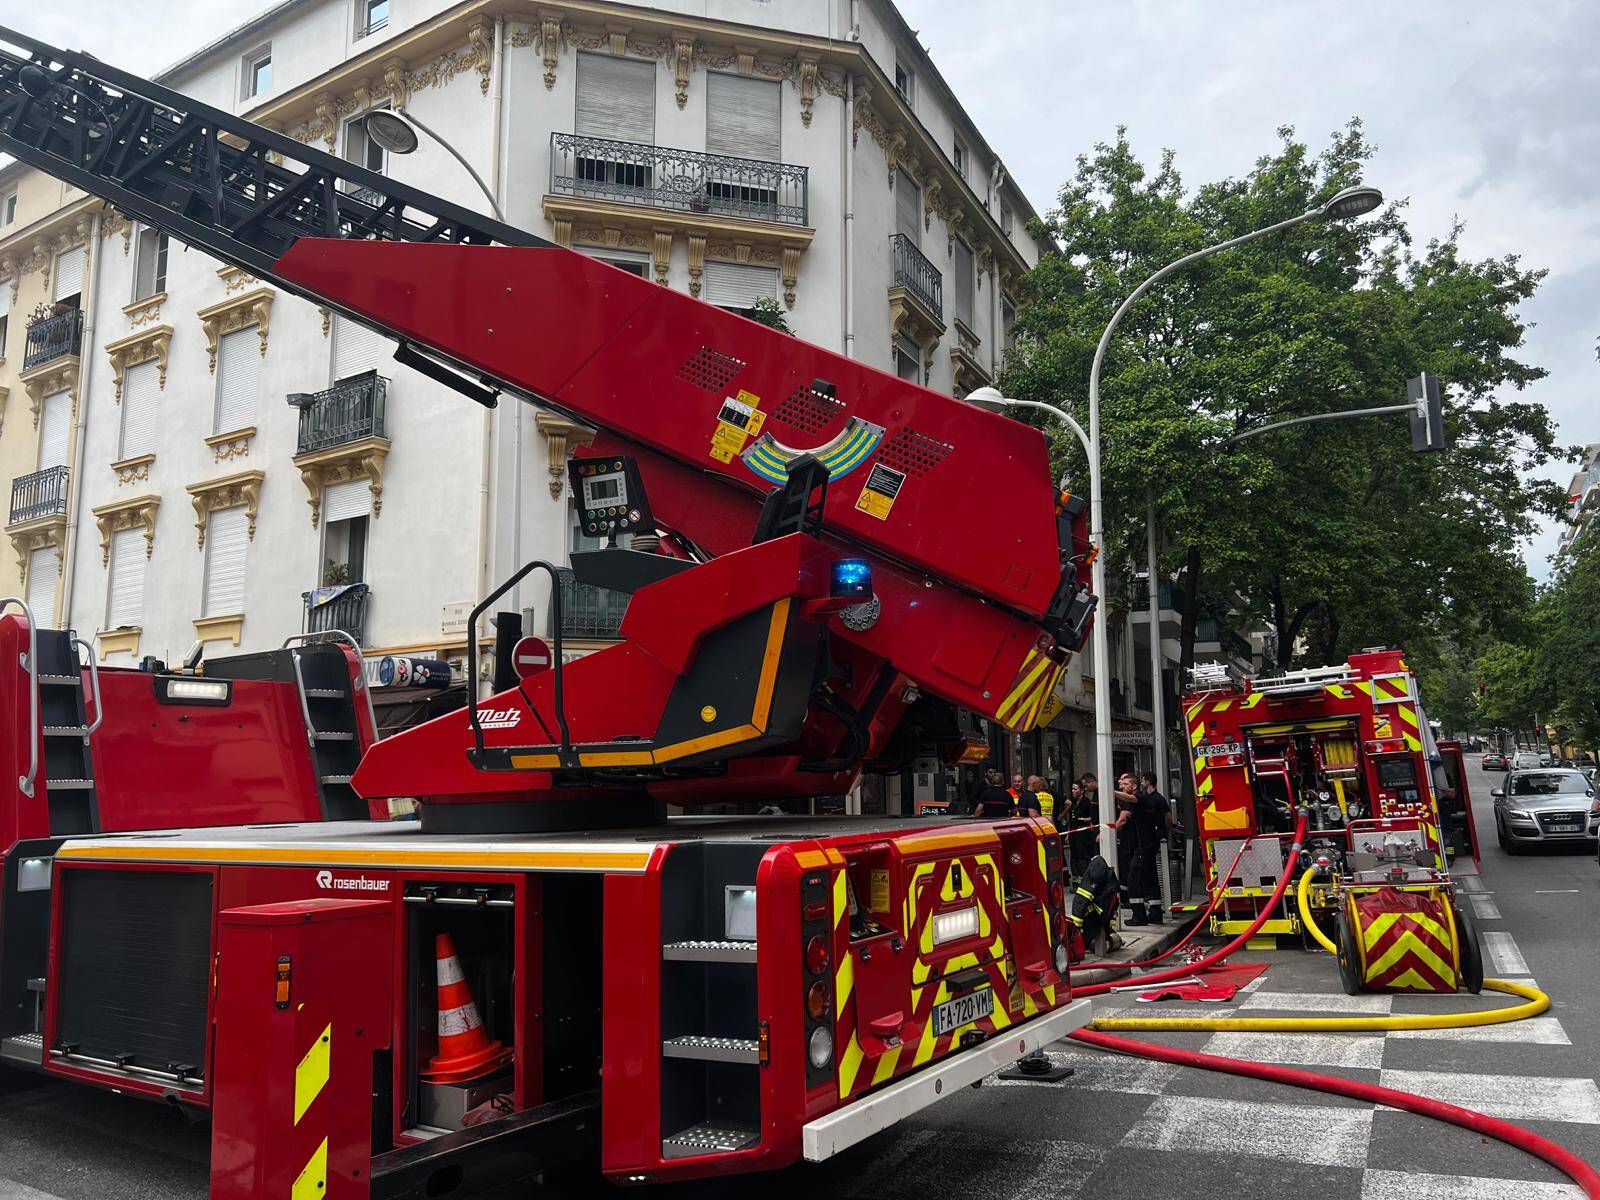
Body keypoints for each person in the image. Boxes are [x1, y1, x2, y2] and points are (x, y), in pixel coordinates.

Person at [1133, 770, 1174, 925]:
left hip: (1151, 840)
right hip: (1149, 838)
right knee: (1150, 874)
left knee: (1145, 874)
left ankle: (1153, 911)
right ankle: (1155, 910)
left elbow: (1168, 817)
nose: (1142, 784)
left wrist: (1164, 832)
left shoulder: (1156, 799)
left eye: (1143, 781)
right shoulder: (1150, 799)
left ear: (1147, 781)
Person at [1111, 772, 1144, 924]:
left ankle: (1139, 914)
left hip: (1140, 843)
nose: (1121, 787)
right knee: (1131, 876)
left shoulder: (1138, 797)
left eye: (1125, 784)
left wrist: (1107, 789)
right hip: (1136, 843)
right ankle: (1139, 912)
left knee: (1133, 878)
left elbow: (1123, 819)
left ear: (1134, 786)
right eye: (1120, 784)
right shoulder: (1129, 798)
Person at [1068, 775, 1100, 877]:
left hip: (1083, 833)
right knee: (1074, 856)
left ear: (1081, 791)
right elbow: (1071, 819)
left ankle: (1083, 877)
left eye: (1075, 789)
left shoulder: (1086, 802)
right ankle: (1075, 878)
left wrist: (1082, 820)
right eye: (1072, 789)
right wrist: (1068, 834)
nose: (1073, 791)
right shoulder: (1073, 802)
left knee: (1083, 856)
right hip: (1074, 832)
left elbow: (1093, 817)